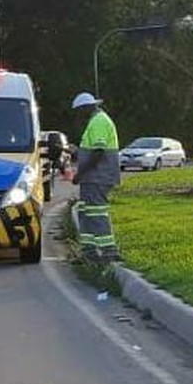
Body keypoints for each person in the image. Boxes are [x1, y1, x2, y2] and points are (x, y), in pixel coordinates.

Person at [70, 92, 121, 262]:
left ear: (87, 108)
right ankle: (89, 251)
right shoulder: (95, 121)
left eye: (79, 111)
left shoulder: (99, 121)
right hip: (93, 178)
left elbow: (98, 152)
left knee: (97, 213)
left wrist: (80, 174)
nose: (78, 115)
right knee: (87, 213)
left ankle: (109, 251)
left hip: (98, 177)